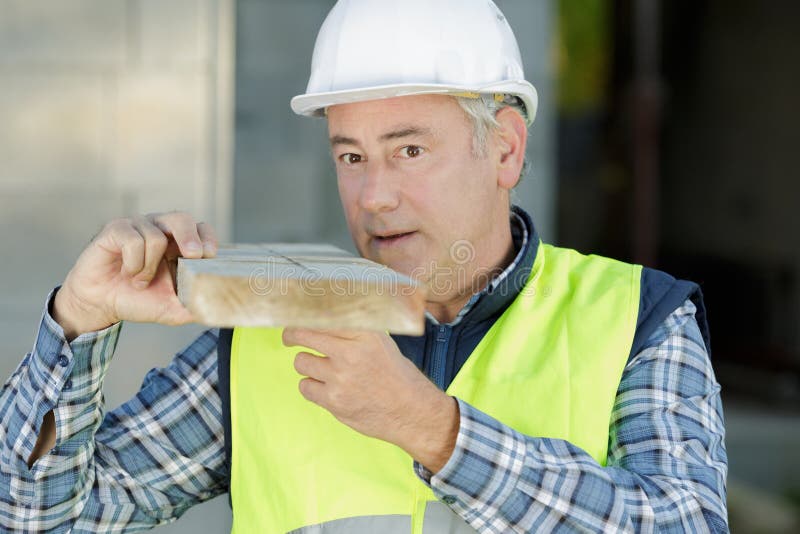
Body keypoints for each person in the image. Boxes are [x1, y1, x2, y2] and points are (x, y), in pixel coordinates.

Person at [0, 0, 728, 532]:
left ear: (505, 148)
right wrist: (79, 324)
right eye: (351, 156)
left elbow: (684, 526)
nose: (375, 196)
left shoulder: (637, 318)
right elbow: (36, 518)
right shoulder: (271, 332)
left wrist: (436, 431)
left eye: (410, 150)